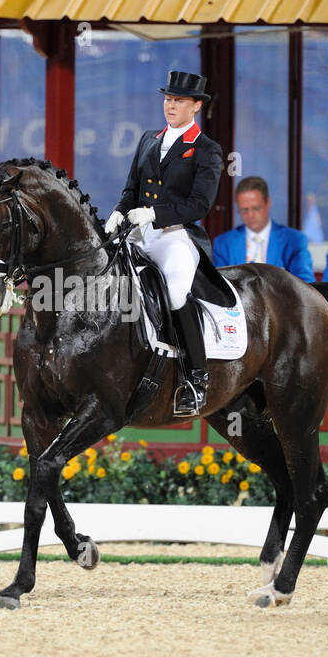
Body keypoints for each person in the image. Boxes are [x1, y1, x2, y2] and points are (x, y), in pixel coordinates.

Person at [105, 70, 223, 417]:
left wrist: (154, 214)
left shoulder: (206, 150)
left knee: (174, 292)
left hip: (175, 236)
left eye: (179, 101)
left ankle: (196, 378)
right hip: (137, 231)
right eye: (168, 99)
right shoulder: (148, 139)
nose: (171, 105)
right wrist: (119, 211)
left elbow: (199, 204)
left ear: (196, 106)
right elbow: (131, 188)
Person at [212, 177, 315, 283]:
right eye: (244, 210)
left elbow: (305, 285)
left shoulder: (294, 240)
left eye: (256, 208)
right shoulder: (223, 243)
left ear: (268, 203)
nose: (250, 215)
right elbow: (218, 286)